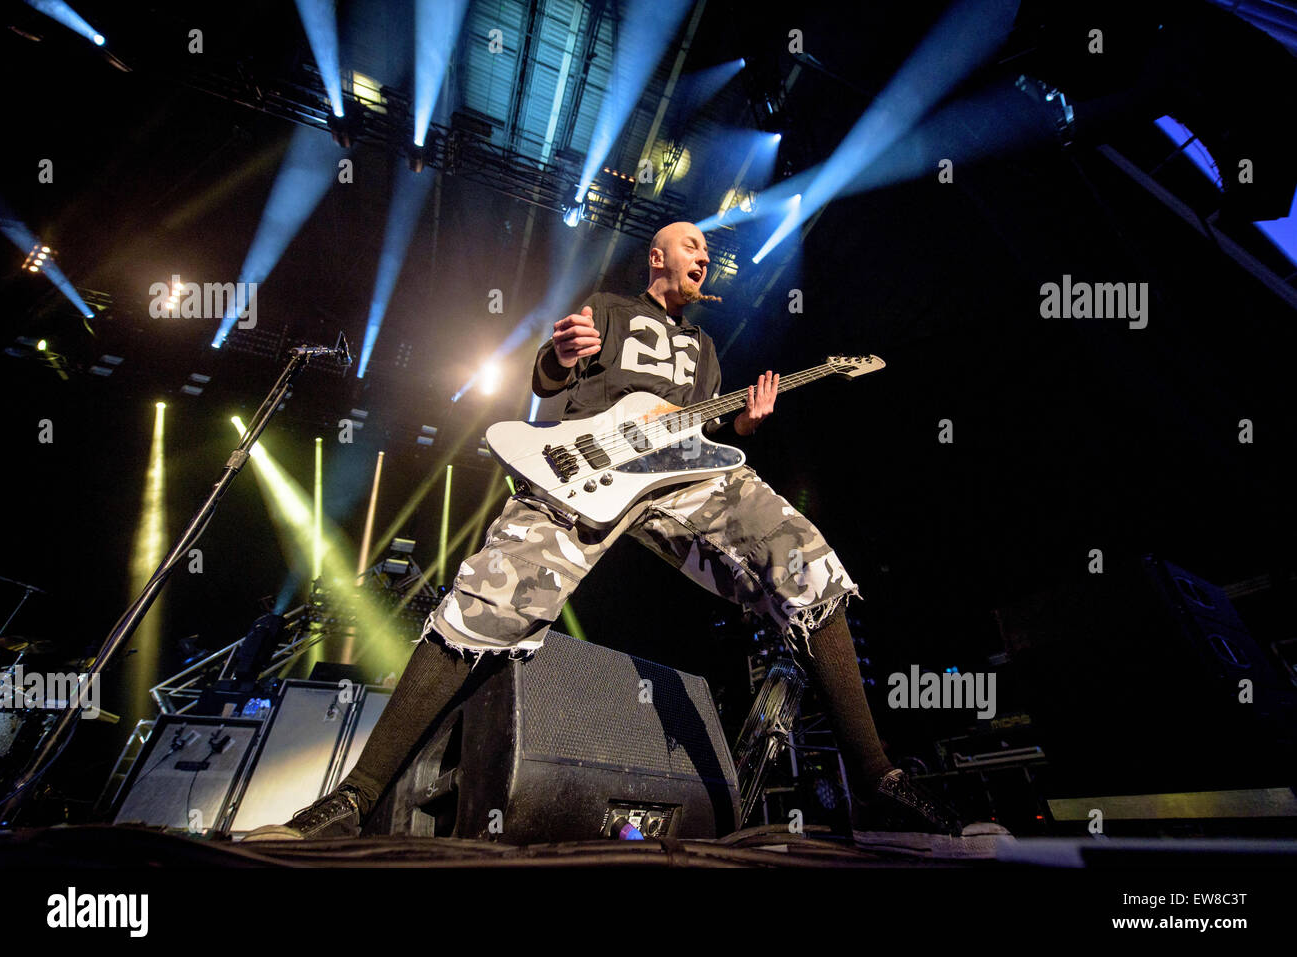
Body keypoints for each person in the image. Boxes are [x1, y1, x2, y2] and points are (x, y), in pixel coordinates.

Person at [247, 222, 964, 841]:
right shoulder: (610, 307)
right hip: (588, 468)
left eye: (707, 252)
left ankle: (876, 773)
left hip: (684, 474)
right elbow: (547, 379)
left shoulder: (706, 348)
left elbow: (705, 430)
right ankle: (356, 795)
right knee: (483, 601)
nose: (703, 256)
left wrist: (742, 426)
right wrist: (559, 354)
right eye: (691, 245)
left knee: (803, 555)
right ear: (656, 259)